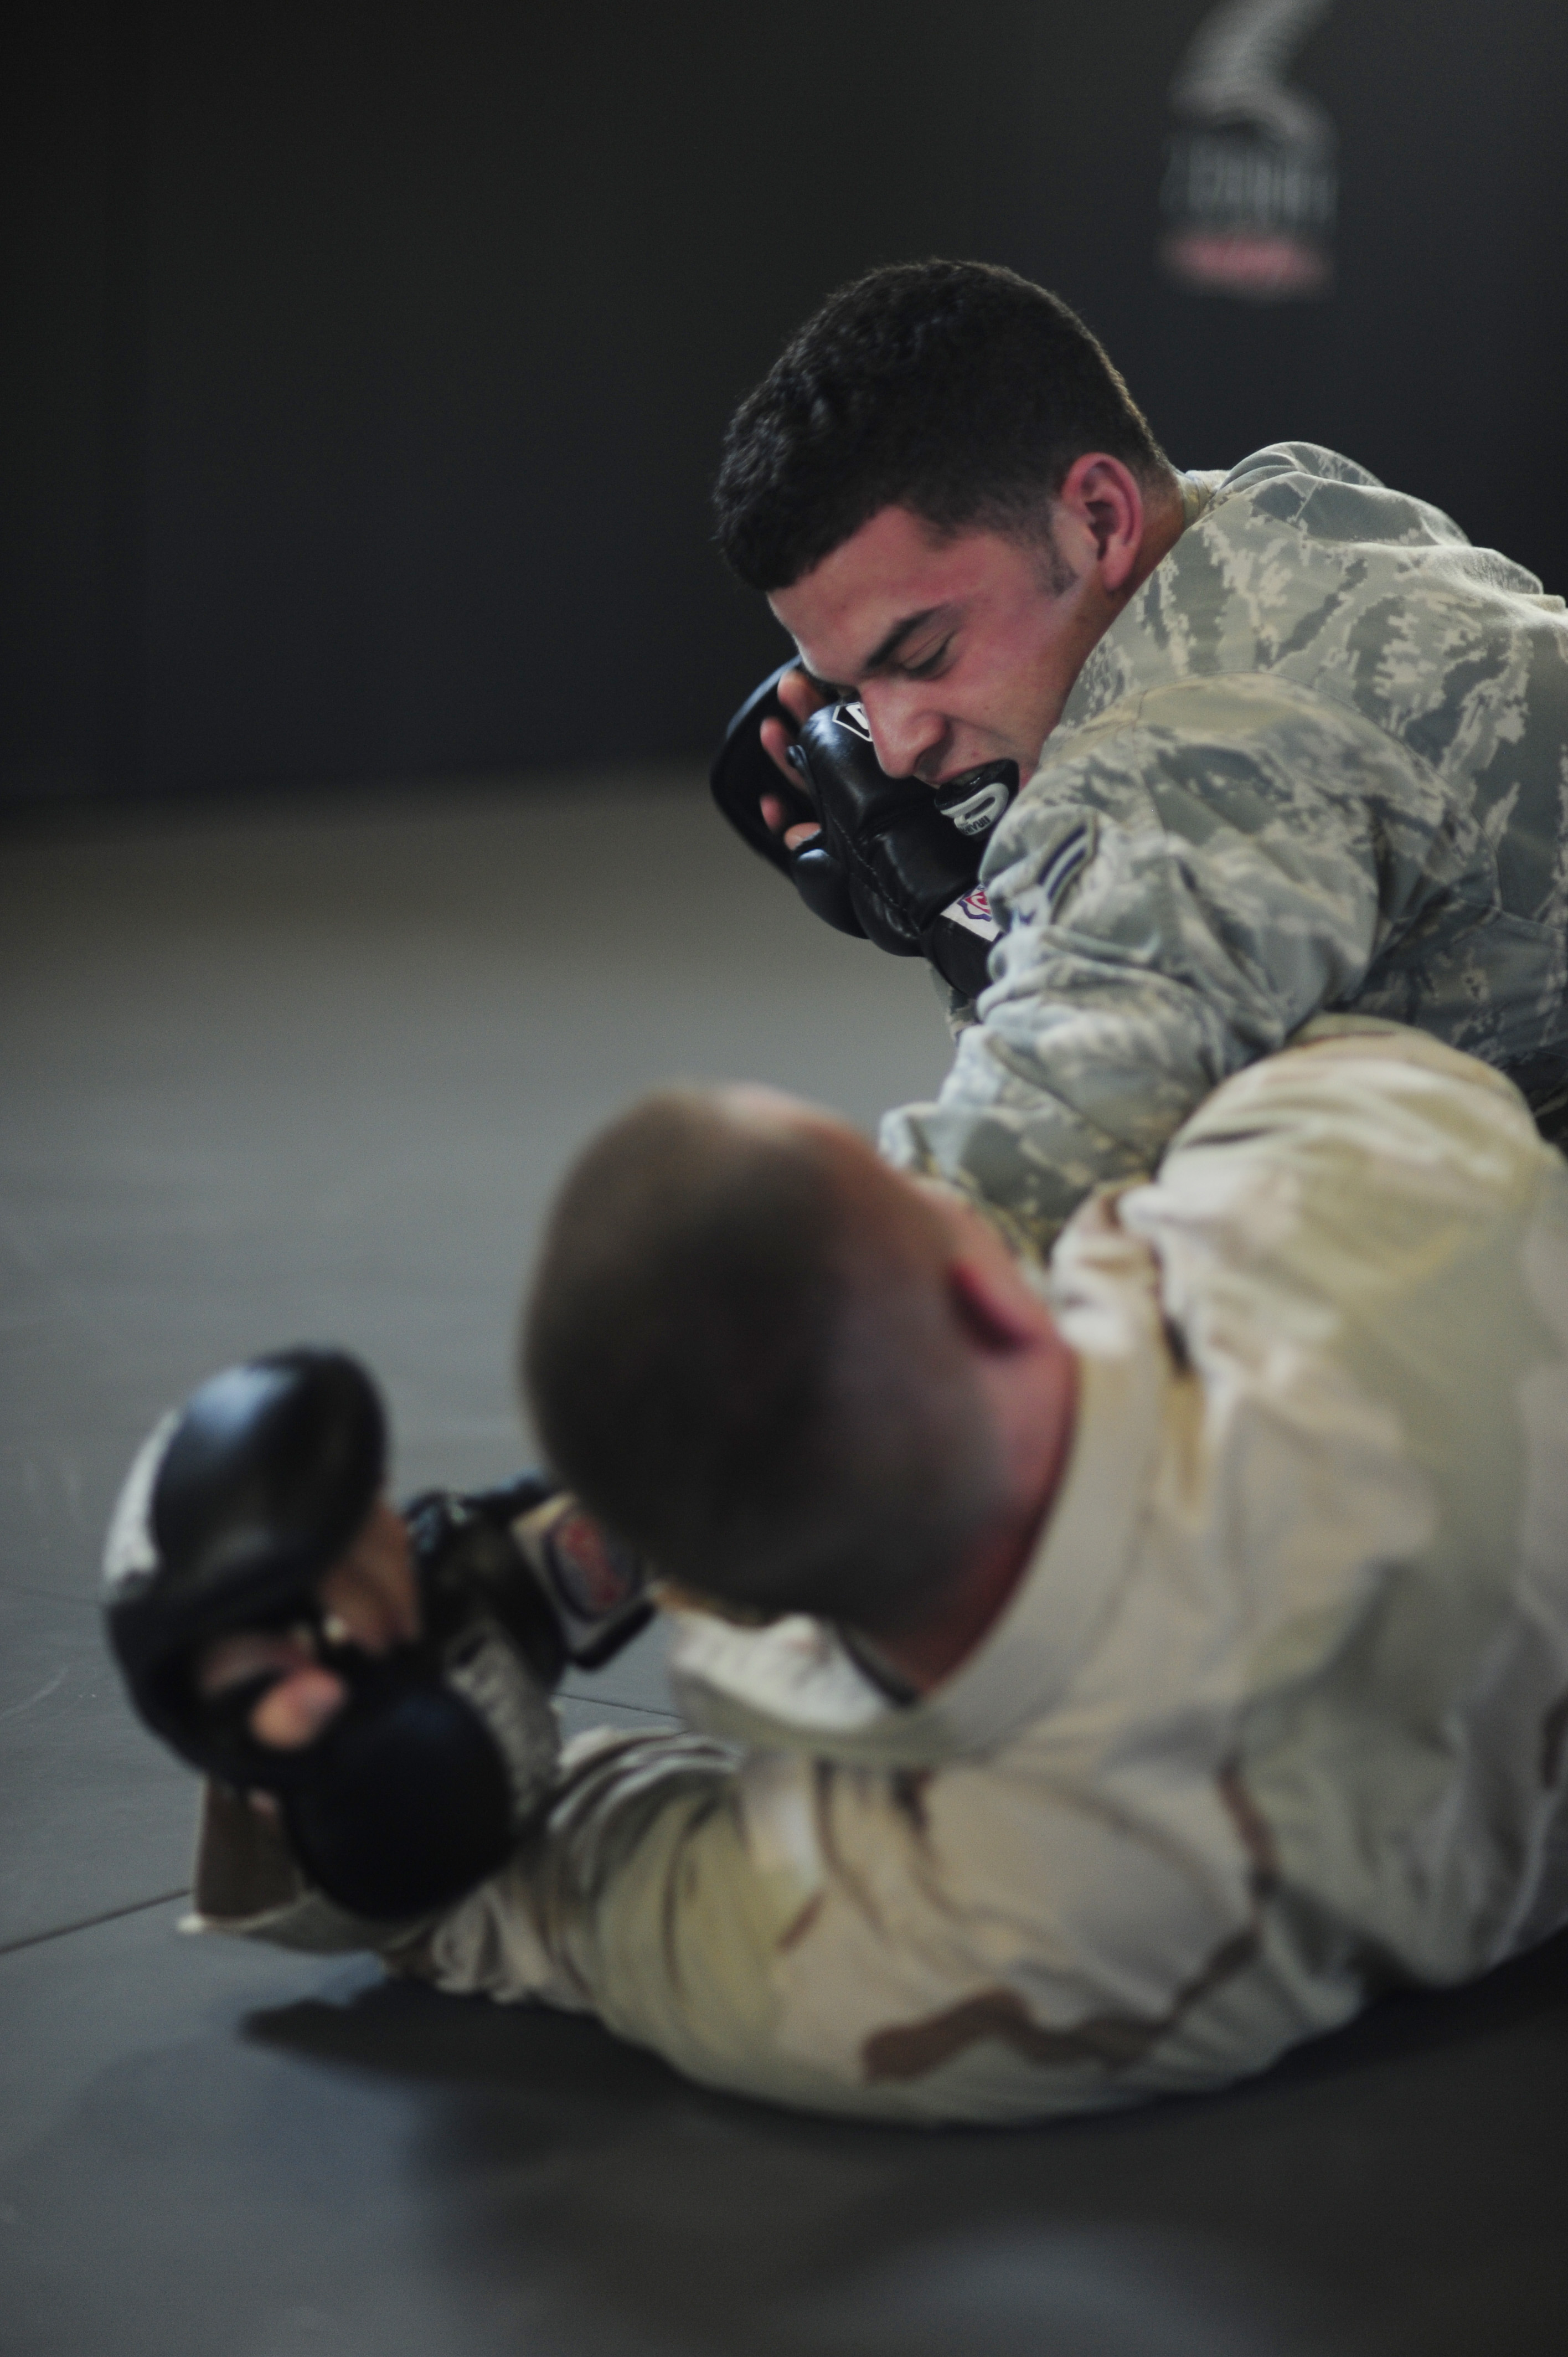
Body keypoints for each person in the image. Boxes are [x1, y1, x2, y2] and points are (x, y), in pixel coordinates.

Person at [171, 1017, 1568, 2126]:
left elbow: (469, 1874)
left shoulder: (964, 1940)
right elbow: (1346, 1056)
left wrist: (338, 1739)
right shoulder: (1366, 1191)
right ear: (979, 1289)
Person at [712, 260, 1568, 1249]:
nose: (895, 746)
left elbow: (948, 1262)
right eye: (858, 688)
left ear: (1101, 518)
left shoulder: (1198, 763)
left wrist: (988, 940)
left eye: (924, 654)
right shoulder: (1285, 511)